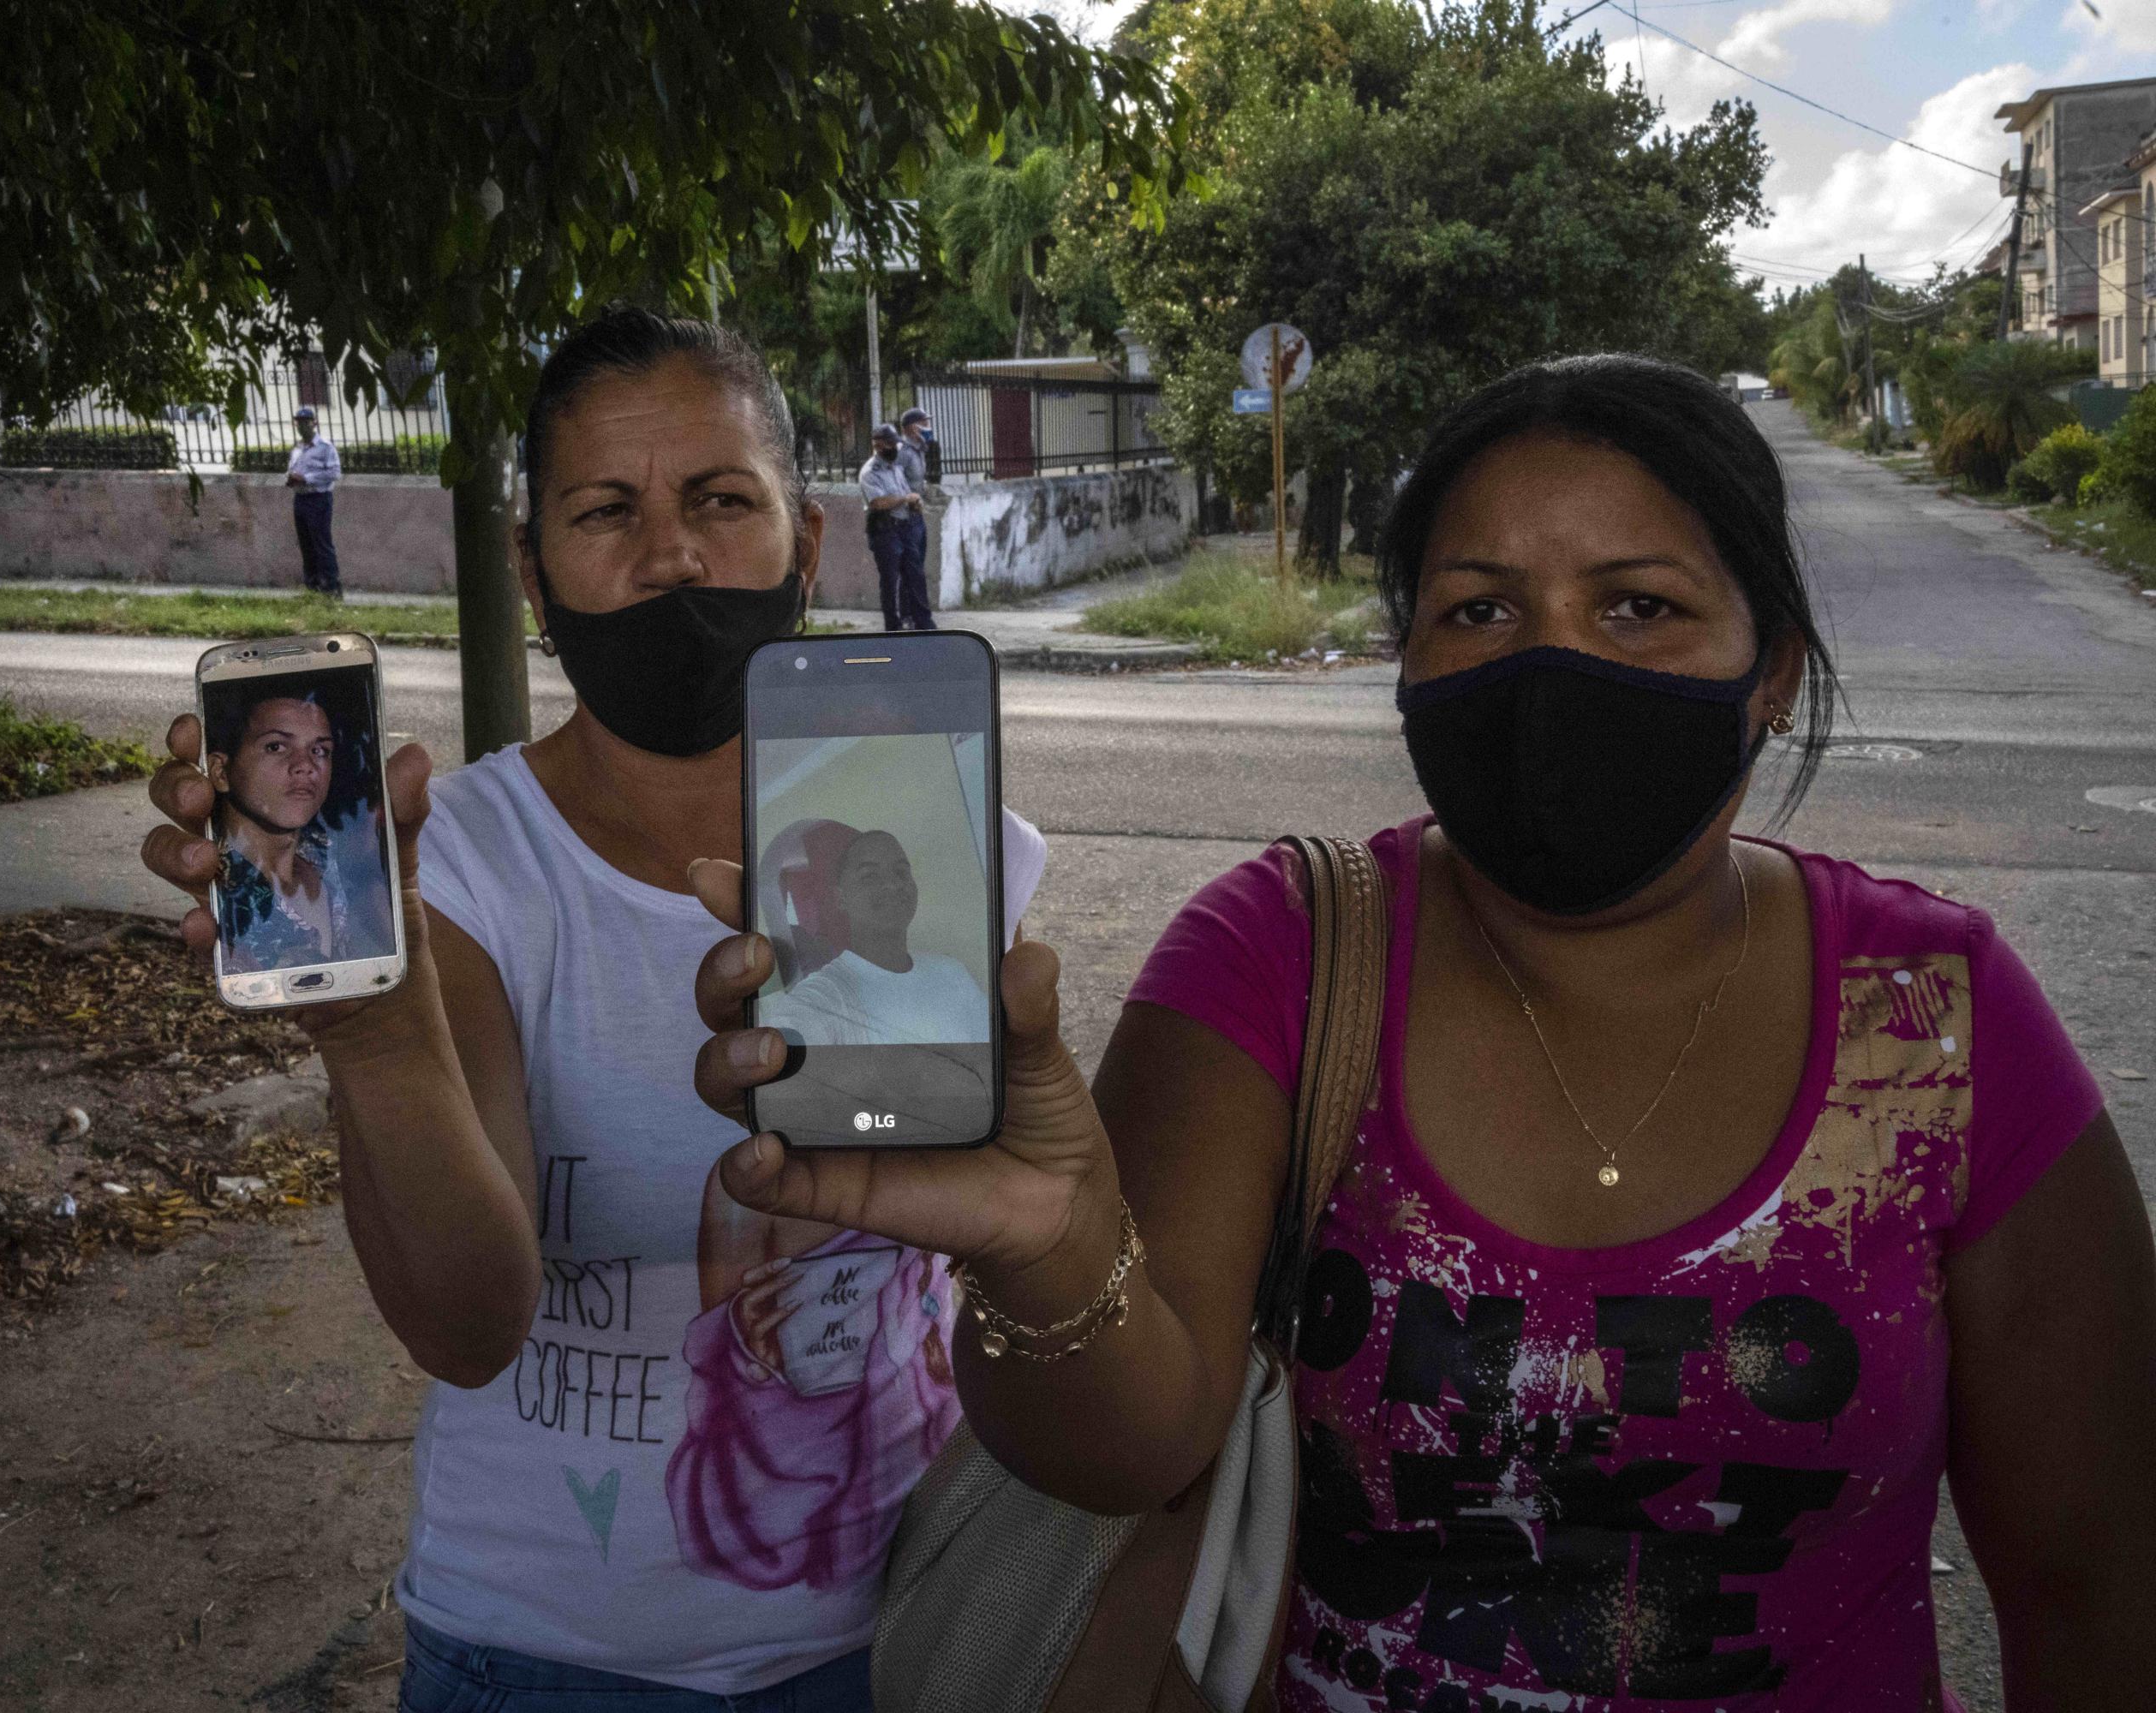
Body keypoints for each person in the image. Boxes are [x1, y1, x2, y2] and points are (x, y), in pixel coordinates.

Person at [695, 355, 2156, 1709]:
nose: (1552, 663)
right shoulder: (1276, 957)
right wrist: (1043, 1249)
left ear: (1770, 669)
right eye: (1479, 609)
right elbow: (1121, 1450)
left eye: (1638, 606)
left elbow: (2098, 1588)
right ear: (1408, 667)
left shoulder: (1936, 1021)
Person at [141, 306, 1046, 1713]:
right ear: (532, 569)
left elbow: (1005, 1261)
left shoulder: (928, 833)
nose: (672, 555)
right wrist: (371, 1031)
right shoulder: (468, 870)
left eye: (722, 502)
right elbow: (466, 1320)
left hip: (916, 1630)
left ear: (805, 546)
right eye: (606, 511)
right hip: (550, 1666)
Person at [206, 689, 391, 973]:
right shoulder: (223, 897)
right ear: (221, 772)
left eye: (319, 751)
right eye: (276, 747)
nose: (306, 766)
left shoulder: (327, 853)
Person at [760, 828, 988, 1047]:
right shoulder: (826, 997)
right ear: (841, 898)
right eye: (869, 876)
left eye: (901, 872)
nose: (892, 885)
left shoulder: (954, 974)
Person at [858, 423, 933, 632]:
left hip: (904, 527)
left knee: (915, 575)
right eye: (891, 444)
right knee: (890, 580)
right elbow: (877, 503)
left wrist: (914, 502)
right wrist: (904, 499)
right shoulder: (870, 472)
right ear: (878, 445)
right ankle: (893, 625)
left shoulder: (896, 469)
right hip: (884, 530)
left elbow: (906, 493)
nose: (895, 448)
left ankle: (923, 622)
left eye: (896, 444)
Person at [286, 403, 343, 598]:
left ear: (314, 423)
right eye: (299, 422)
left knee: (321, 543)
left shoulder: (325, 448)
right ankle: (312, 586)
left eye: (306, 422)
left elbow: (334, 473)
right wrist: (292, 478)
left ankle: (331, 587)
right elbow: (293, 470)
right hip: (300, 498)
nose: (303, 426)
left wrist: (307, 478)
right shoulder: (297, 448)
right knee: (306, 544)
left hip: (319, 499)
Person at [897, 406, 939, 489]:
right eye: (924, 424)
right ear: (913, 427)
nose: (928, 427)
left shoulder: (919, 448)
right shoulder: (902, 451)